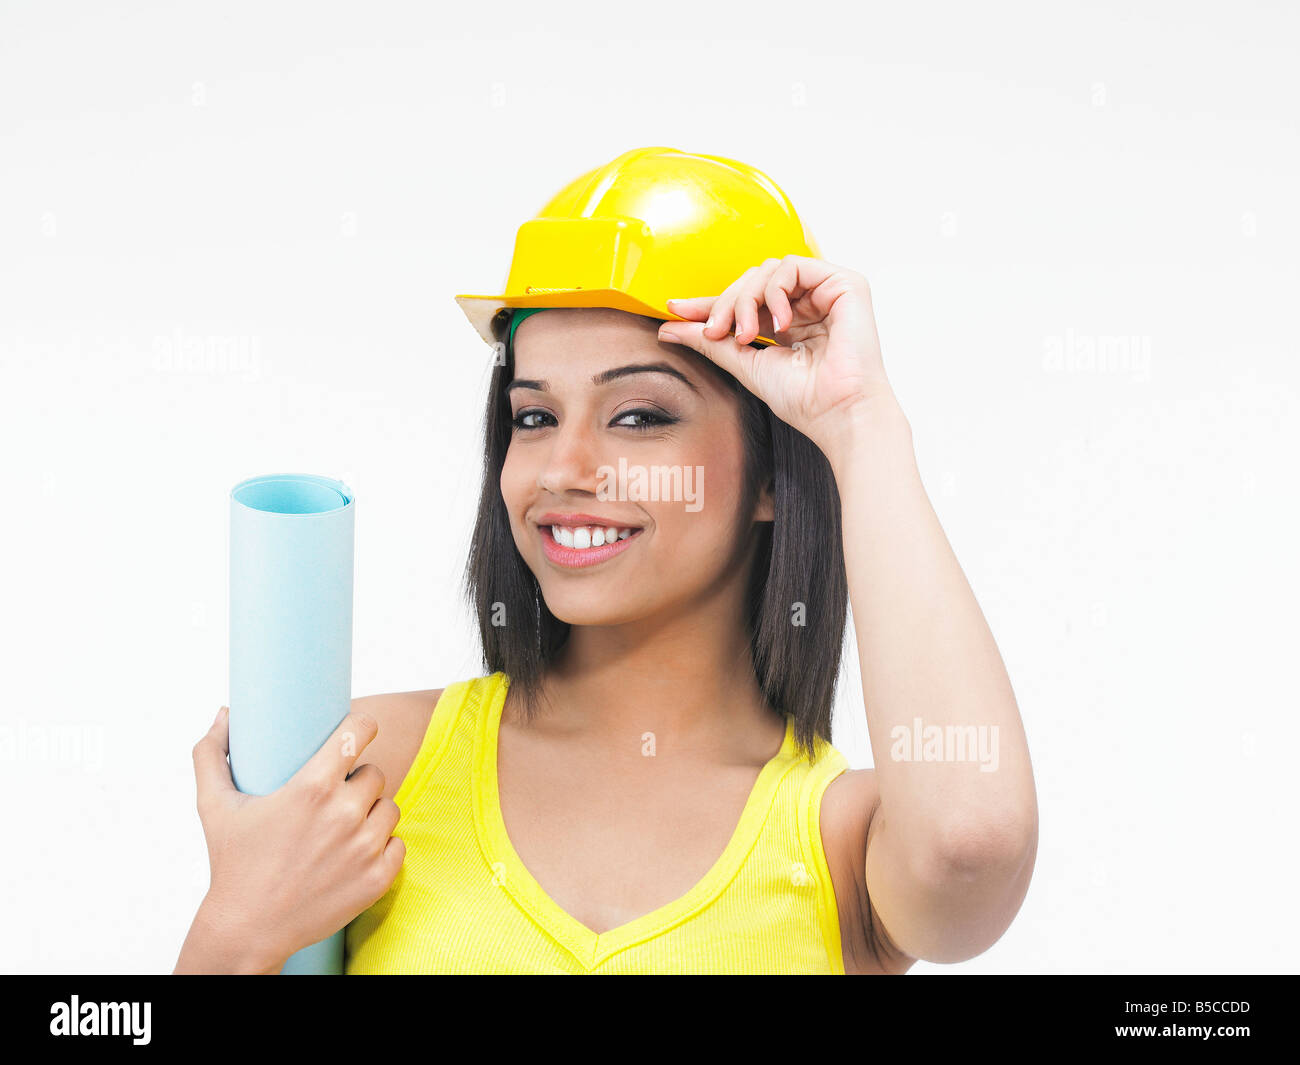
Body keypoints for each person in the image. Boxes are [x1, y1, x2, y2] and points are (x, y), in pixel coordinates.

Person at [175, 148, 1037, 975]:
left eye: (637, 418)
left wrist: (857, 419)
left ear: (774, 470)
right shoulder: (367, 768)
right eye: (535, 416)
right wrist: (234, 931)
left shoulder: (839, 845)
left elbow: (971, 845)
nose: (561, 469)